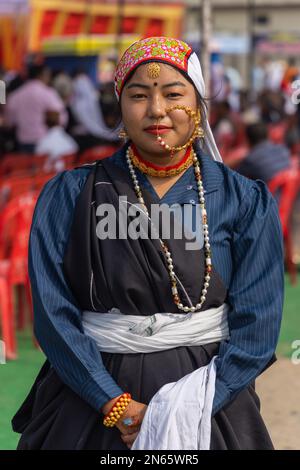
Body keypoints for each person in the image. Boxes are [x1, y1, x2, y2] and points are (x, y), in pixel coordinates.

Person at [12, 37, 284, 450]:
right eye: (138, 95)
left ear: (199, 104)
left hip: (209, 402)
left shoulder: (242, 199)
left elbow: (258, 326)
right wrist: (114, 403)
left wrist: (190, 404)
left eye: (174, 94)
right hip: (91, 402)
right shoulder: (70, 194)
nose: (157, 110)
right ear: (119, 107)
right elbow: (53, 313)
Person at [5, 64, 67, 153]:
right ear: (41, 75)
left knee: (24, 166)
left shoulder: (16, 95)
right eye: (47, 75)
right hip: (44, 141)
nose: (49, 79)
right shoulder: (48, 93)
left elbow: (9, 122)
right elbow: (61, 118)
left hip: (22, 142)